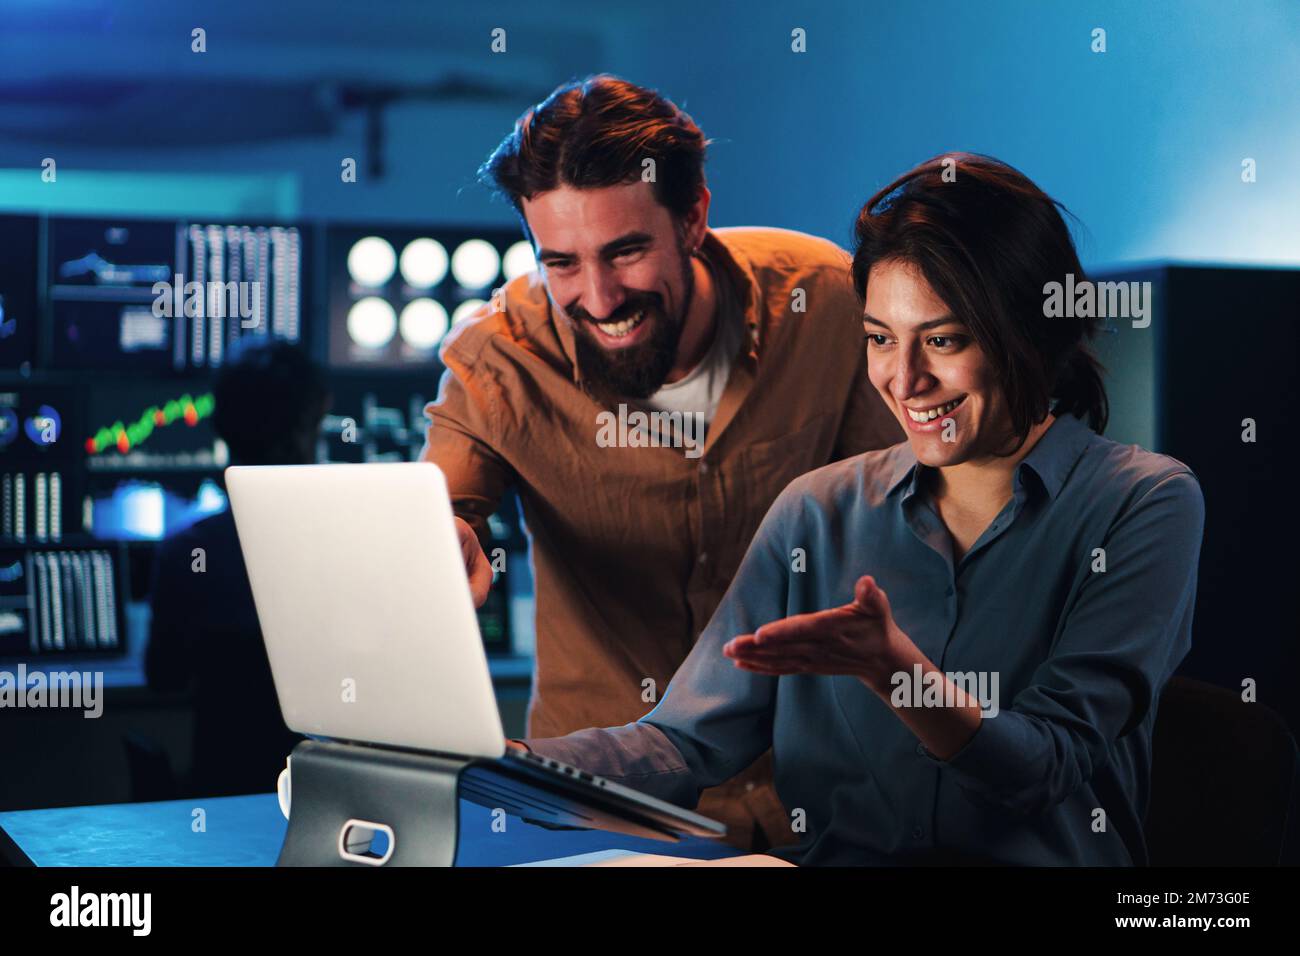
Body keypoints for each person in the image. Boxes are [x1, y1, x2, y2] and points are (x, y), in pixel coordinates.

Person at [513, 153, 1206, 866]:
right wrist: (499, 759)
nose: (902, 379)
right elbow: (686, 743)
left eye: (942, 340)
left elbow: (1041, 767)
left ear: (1029, 330)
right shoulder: (818, 512)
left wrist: (894, 671)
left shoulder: (1144, 503)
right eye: (880, 338)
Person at [421, 75, 902, 850]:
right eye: (562, 263)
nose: (600, 297)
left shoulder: (828, 303)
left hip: (820, 791)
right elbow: (441, 507)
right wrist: (443, 539)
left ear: (693, 217)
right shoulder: (500, 357)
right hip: (599, 802)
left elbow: (913, 508)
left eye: (626, 251)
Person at [146, 339, 330, 797]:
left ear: (223, 429)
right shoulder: (346, 550)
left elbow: (163, 677)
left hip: (221, 792)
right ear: (304, 429)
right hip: (327, 799)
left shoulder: (185, 553)